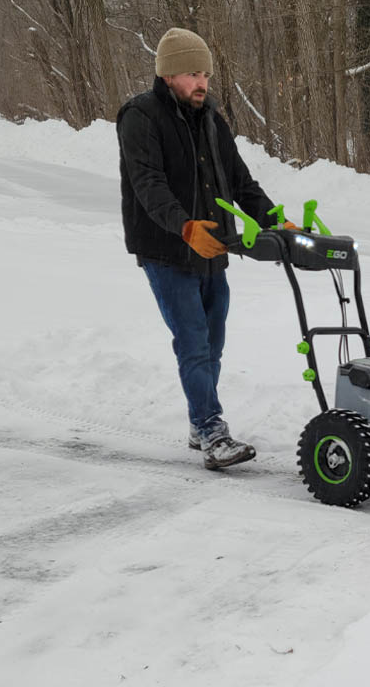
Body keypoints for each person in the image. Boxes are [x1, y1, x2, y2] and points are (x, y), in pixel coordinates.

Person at [117, 27, 294, 469]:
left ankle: (200, 424)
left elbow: (241, 182)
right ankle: (212, 429)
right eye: (193, 74)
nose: (202, 83)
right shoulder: (141, 116)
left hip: (213, 247)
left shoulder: (213, 120)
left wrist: (277, 221)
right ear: (170, 74)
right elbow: (148, 185)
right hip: (168, 249)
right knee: (193, 341)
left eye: (206, 74)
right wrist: (184, 226)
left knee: (213, 341)